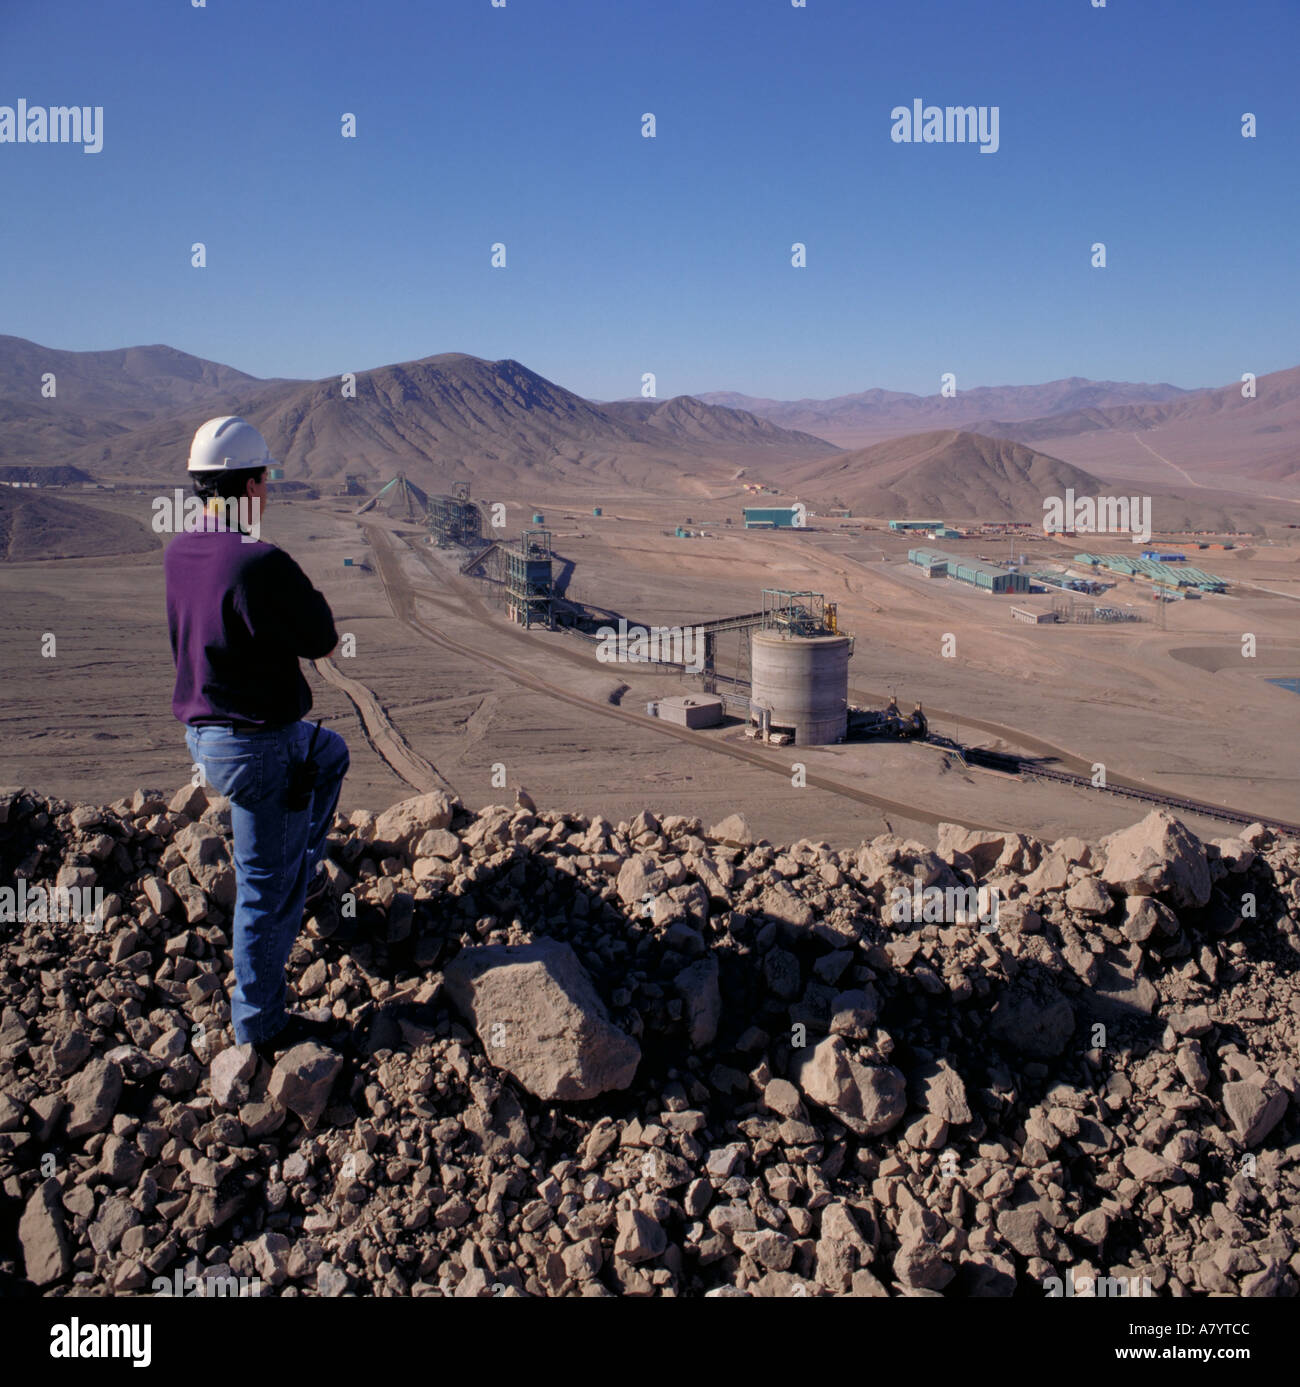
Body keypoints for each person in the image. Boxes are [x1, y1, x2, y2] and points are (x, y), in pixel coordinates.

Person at [164, 416, 349, 1060]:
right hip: (256, 748)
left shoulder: (179, 551)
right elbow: (322, 637)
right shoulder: (262, 562)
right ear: (248, 483)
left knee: (329, 754)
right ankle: (261, 1024)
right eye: (265, 478)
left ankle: (309, 869)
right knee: (266, 893)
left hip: (204, 738)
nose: (268, 489)